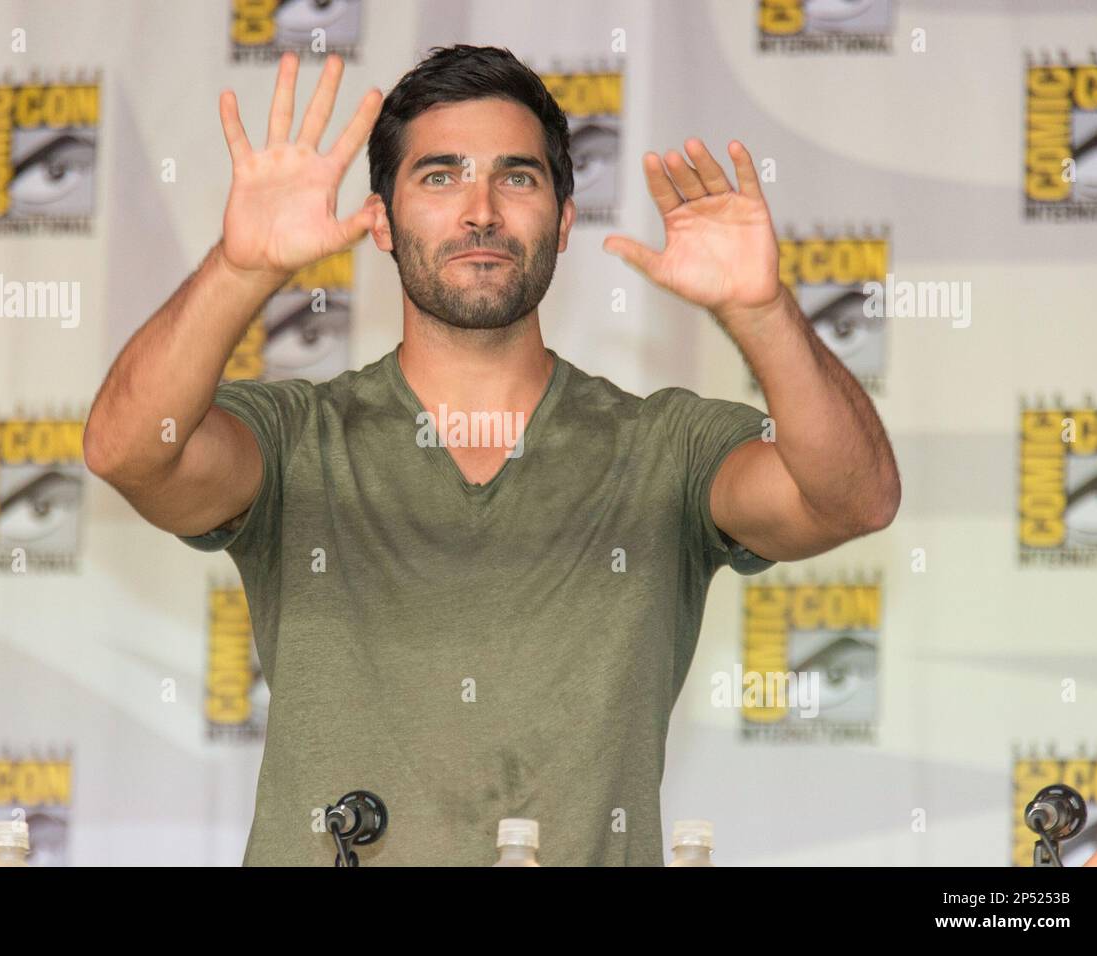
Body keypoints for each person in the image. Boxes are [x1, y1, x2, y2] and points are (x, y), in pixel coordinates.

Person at [84, 45, 901, 866]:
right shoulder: (299, 436)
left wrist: (761, 312)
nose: (481, 210)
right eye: (439, 177)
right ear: (380, 221)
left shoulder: (666, 448)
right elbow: (129, 454)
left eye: (517, 178)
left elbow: (852, 500)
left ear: (566, 220)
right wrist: (240, 269)